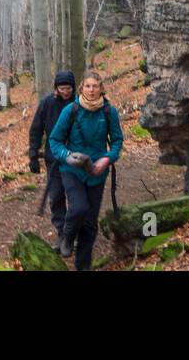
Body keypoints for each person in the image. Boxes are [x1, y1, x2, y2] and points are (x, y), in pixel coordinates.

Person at [48, 70, 123, 270]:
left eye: (95, 86)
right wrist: (66, 156)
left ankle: (83, 266)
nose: (91, 90)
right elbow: (54, 140)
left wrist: (107, 159)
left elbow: (117, 142)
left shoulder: (109, 111)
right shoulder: (71, 110)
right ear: (82, 88)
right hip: (71, 170)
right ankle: (66, 237)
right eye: (88, 86)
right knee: (79, 207)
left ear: (101, 88)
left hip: (96, 173)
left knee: (90, 223)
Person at [28, 70, 76, 244]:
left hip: (75, 158)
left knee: (75, 196)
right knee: (56, 196)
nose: (65, 91)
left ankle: (73, 230)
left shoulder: (79, 103)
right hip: (53, 158)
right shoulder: (47, 104)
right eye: (62, 88)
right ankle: (62, 231)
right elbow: (36, 130)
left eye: (69, 88)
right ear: (56, 88)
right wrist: (33, 155)